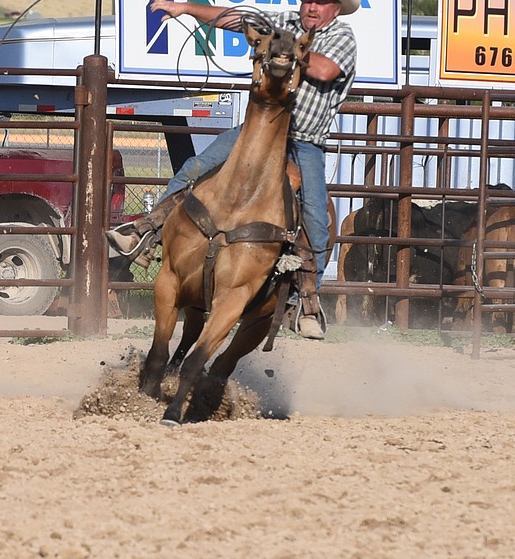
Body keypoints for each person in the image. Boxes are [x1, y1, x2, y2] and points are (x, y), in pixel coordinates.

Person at [107, 0, 358, 339]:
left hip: (304, 142)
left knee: (315, 212)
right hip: (258, 130)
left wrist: (285, 50)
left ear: (336, 9)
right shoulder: (284, 20)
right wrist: (185, 8)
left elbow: (326, 70)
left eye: (322, 1)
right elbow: (238, 19)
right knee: (196, 167)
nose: (312, 6)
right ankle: (146, 232)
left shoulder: (342, 36)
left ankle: (306, 299)